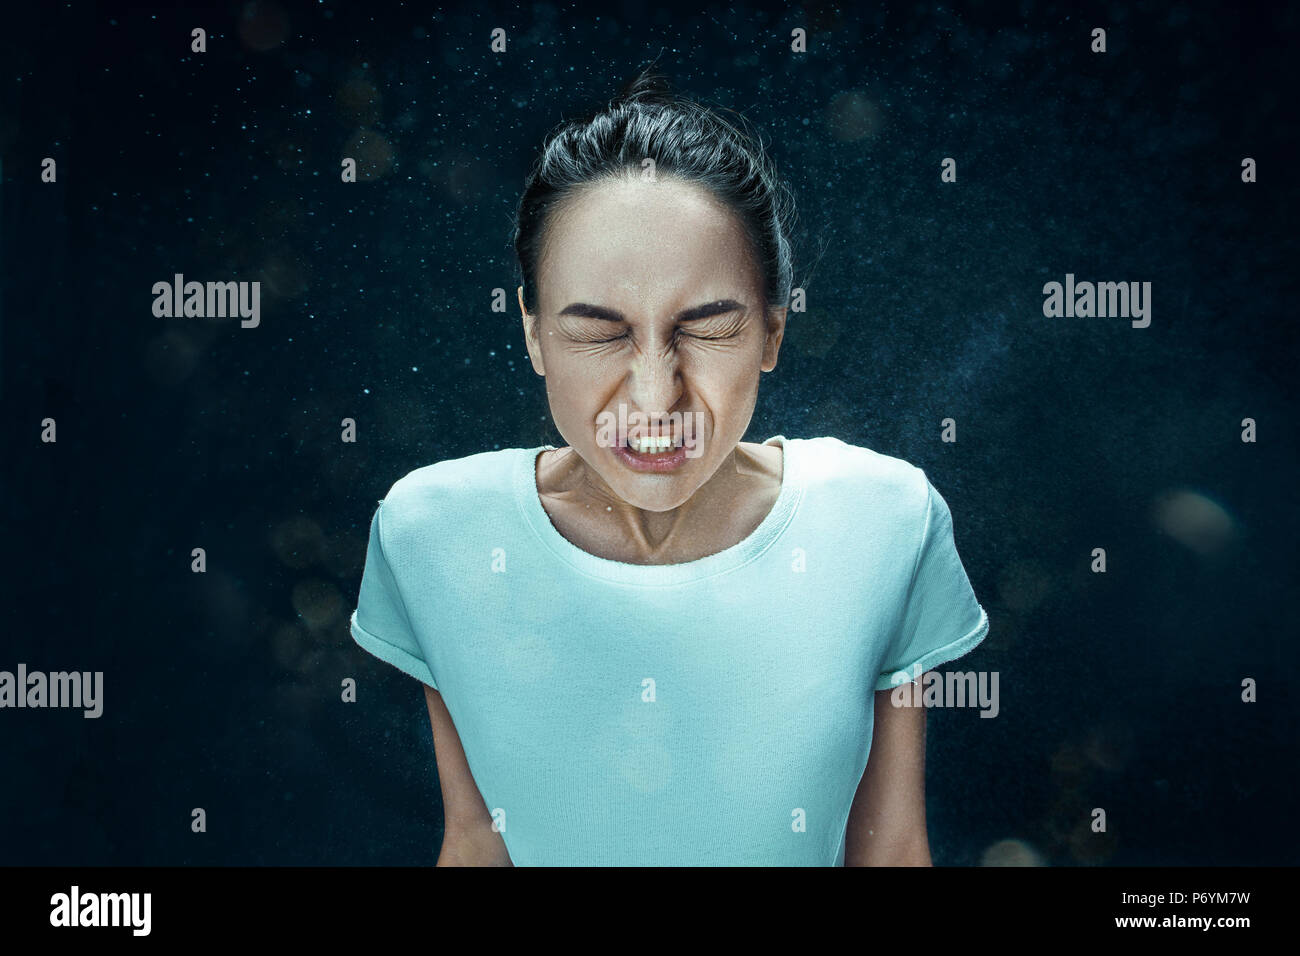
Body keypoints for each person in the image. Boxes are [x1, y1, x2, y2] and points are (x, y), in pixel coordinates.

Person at [349, 67, 989, 866]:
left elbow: (889, 851)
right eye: (599, 332)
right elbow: (479, 843)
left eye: (708, 328)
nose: (656, 396)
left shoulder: (881, 522)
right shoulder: (435, 534)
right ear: (533, 336)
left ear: (773, 330)